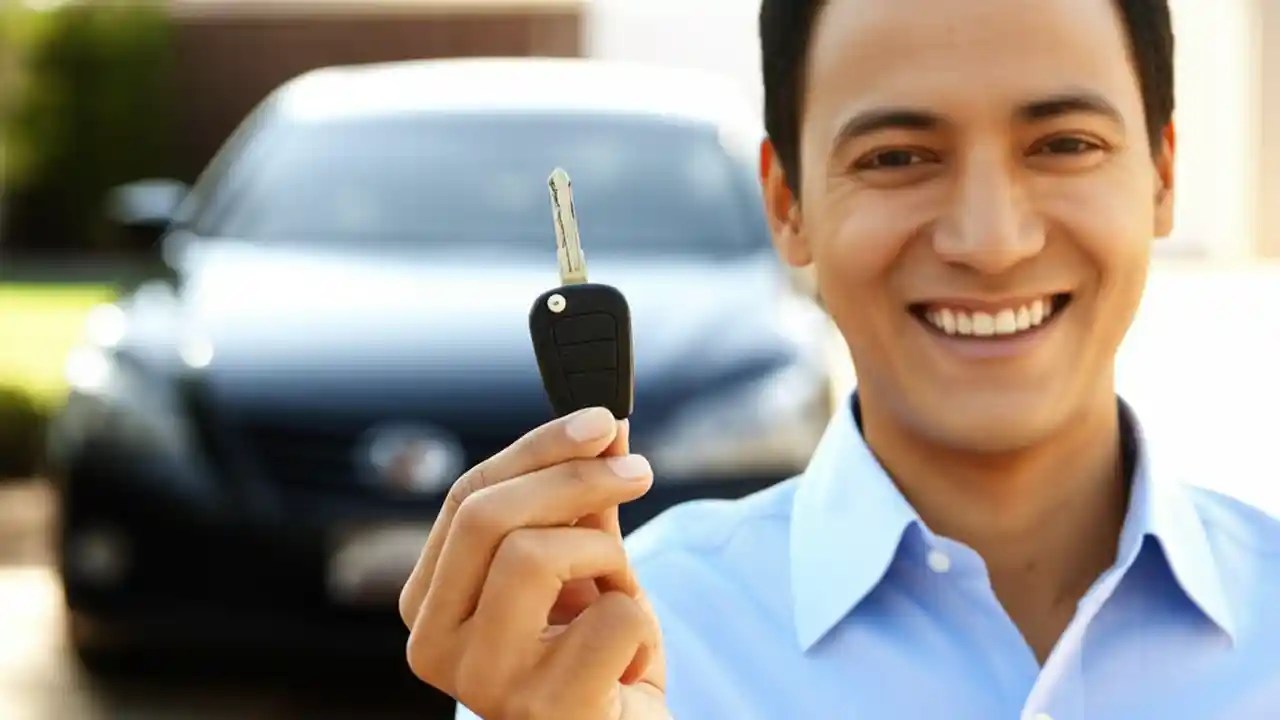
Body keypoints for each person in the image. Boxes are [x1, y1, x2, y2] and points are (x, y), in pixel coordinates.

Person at [398, 0, 1280, 717]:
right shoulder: (599, 652)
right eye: (897, 157)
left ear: (1163, 176)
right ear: (787, 204)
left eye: (1063, 145)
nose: (991, 241)